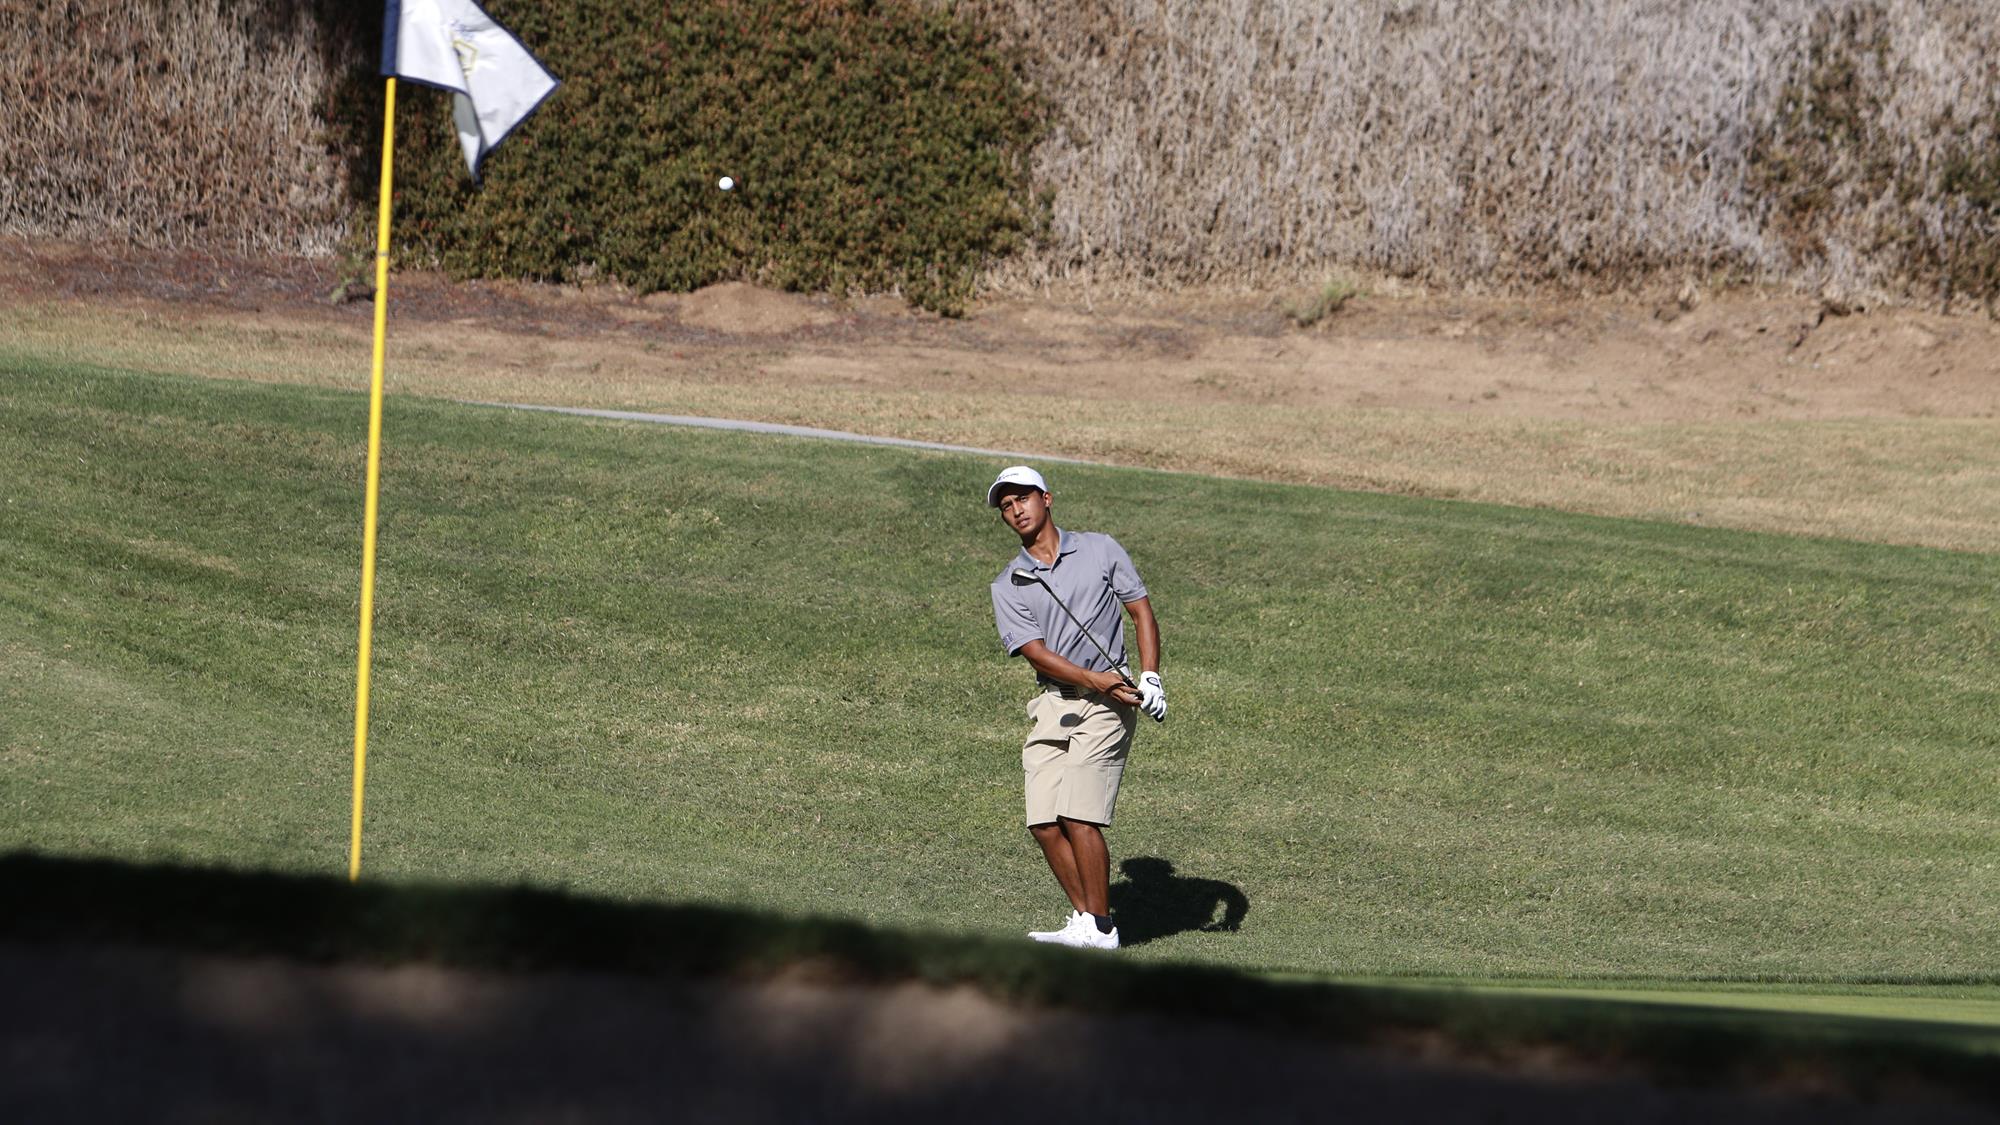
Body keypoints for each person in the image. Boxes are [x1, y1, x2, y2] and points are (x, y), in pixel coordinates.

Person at [985, 465, 1166, 950]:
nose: (1015, 510)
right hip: (1053, 703)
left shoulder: (1101, 548)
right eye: (1005, 506)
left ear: (1046, 499)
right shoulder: (1010, 584)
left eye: (1021, 498)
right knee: (1044, 821)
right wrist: (1094, 679)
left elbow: (1140, 608)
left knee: (1079, 815)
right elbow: (1035, 652)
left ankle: (1102, 928)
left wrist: (1148, 674)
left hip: (1110, 705)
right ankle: (1087, 920)